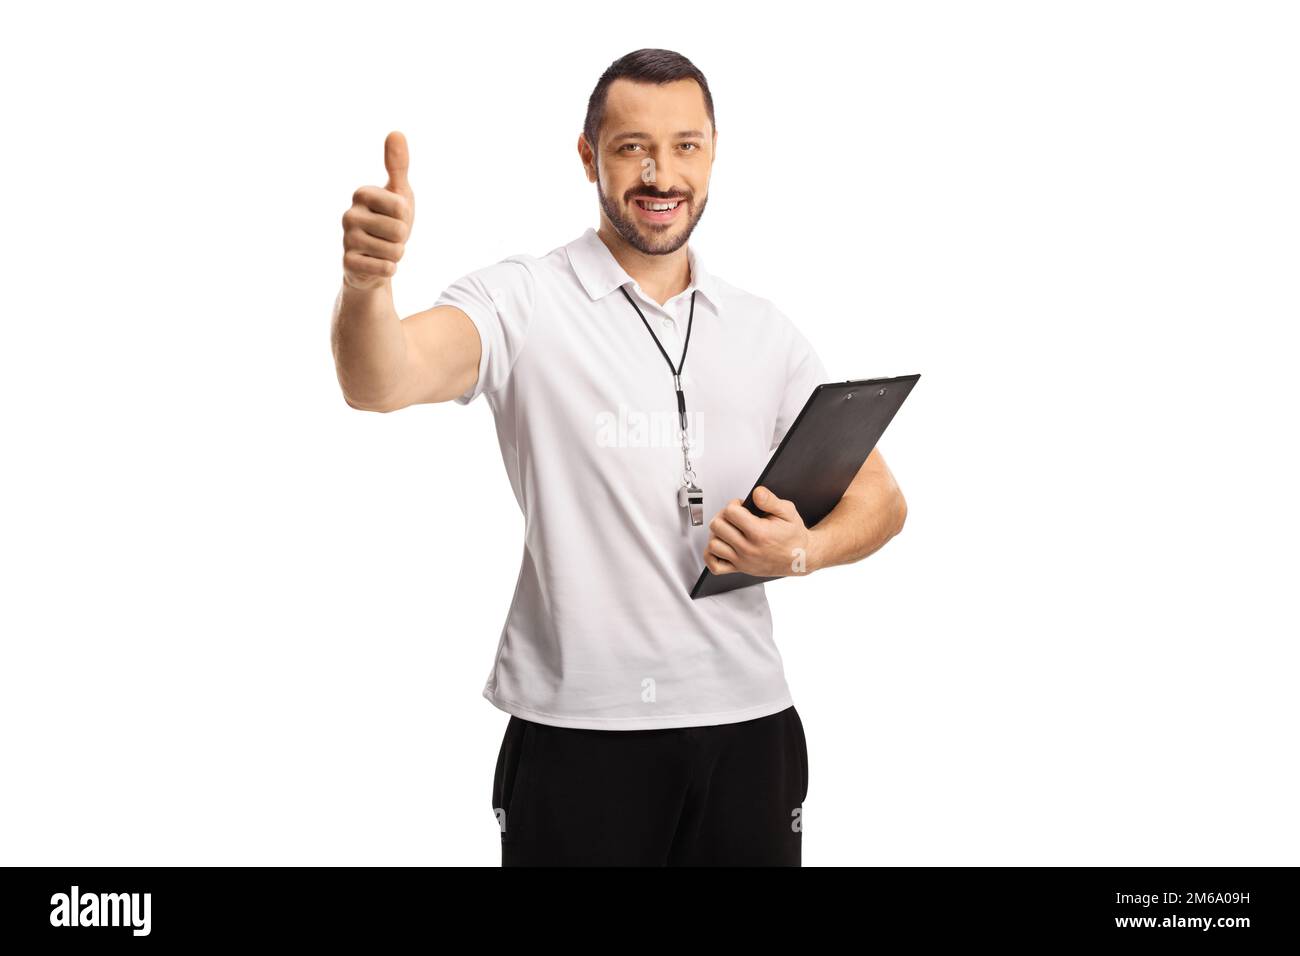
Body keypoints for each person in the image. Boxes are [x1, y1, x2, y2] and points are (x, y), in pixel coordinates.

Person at [330, 48, 908, 866]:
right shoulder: (521, 300)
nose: (660, 172)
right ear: (588, 155)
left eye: (685, 146)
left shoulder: (763, 329)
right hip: (581, 736)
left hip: (750, 728)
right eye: (633, 145)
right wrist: (366, 287)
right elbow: (381, 380)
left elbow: (882, 499)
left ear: (712, 153)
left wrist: (803, 549)